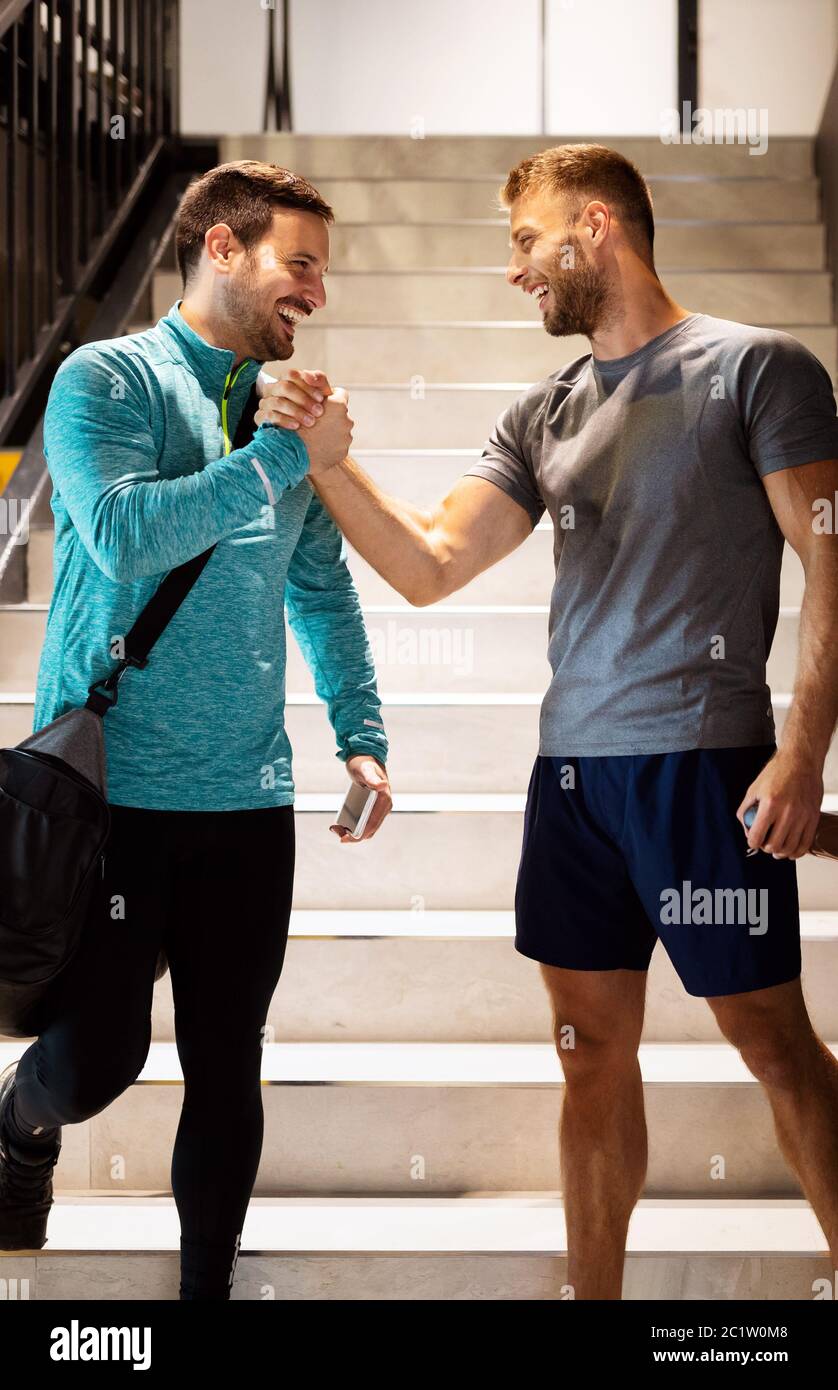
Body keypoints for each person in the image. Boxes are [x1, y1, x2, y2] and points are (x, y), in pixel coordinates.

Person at [257, 143, 838, 1300]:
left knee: (771, 1044)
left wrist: (801, 751)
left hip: (703, 765)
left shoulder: (756, 369)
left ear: (596, 227)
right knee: (585, 1059)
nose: (513, 268)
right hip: (572, 780)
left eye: (525, 240)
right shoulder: (545, 410)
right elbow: (428, 566)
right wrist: (327, 460)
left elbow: (831, 563)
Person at [0, 161, 392, 1300]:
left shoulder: (293, 413)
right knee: (101, 1054)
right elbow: (123, 533)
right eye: (298, 264)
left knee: (230, 1064)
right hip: (109, 793)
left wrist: (360, 730)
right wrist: (281, 454)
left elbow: (318, 584)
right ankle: (20, 1125)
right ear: (221, 247)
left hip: (245, 799)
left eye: (322, 271)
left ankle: (203, 1294)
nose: (315, 293)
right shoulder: (104, 379)